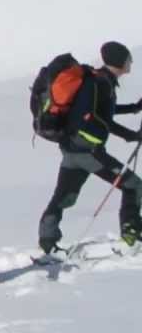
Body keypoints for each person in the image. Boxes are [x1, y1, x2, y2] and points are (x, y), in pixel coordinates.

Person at [39, 41, 142, 254]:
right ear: (120, 61)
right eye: (128, 59)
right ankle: (132, 234)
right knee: (133, 185)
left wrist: (133, 108)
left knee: (64, 197)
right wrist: (131, 135)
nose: (131, 62)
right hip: (88, 152)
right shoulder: (101, 83)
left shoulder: (98, 80)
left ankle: (47, 243)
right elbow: (97, 117)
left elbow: (101, 112)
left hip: (72, 149)